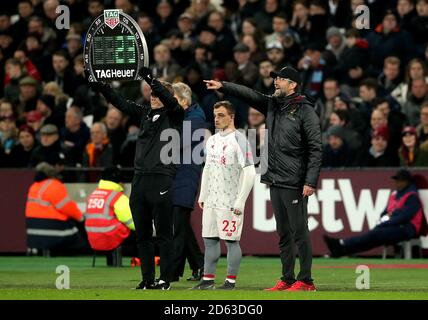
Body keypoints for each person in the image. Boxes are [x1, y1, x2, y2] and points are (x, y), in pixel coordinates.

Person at [204, 66, 322, 292]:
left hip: (295, 180)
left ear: (293, 84)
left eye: (281, 79)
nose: (276, 82)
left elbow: (316, 148)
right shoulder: (274, 105)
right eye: (275, 79)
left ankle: (306, 280)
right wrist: (225, 86)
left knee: (299, 231)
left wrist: (310, 181)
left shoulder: (305, 110)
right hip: (275, 177)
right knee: (284, 233)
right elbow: (251, 95)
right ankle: (287, 279)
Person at [86, 67, 184, 290]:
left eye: (158, 94)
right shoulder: (144, 113)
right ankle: (147, 279)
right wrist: (100, 84)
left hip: (162, 178)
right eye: (152, 94)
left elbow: (170, 100)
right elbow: (119, 102)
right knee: (142, 235)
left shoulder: (175, 115)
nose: (154, 97)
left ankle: (165, 279)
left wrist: (151, 79)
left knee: (164, 234)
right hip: (139, 179)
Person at [192, 101, 256, 290]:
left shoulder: (240, 139)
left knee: (231, 240)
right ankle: (207, 279)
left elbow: (250, 172)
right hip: (212, 199)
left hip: (230, 201)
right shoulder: (211, 140)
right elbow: (207, 168)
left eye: (221, 115)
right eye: (215, 115)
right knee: (209, 239)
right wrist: (202, 194)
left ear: (231, 117)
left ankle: (230, 281)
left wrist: (241, 201)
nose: (217, 119)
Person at [324, 169, 428, 257]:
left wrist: (385, 222)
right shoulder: (395, 194)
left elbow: (404, 217)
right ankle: (342, 251)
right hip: (394, 225)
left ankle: (342, 243)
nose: (397, 183)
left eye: (400, 181)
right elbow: (385, 211)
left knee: (375, 234)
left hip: (407, 228)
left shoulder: (412, 196)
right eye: (397, 180)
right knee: (373, 237)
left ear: (407, 182)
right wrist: (383, 219)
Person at [170, 82, 205, 282]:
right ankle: (199, 265)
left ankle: (172, 272)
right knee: (181, 225)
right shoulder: (186, 116)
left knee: (178, 225)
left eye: (172, 100)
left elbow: (175, 141)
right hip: (178, 175)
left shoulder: (196, 119)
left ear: (183, 101)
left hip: (185, 175)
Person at [25, 162, 86, 253]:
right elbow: (67, 207)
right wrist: (82, 218)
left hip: (33, 234)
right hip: (53, 231)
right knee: (78, 232)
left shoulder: (33, 187)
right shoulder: (54, 185)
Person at [85, 167, 136, 264]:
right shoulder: (117, 197)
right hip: (111, 239)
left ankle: (111, 262)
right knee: (141, 234)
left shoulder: (93, 194)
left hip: (93, 239)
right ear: (119, 182)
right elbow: (132, 222)